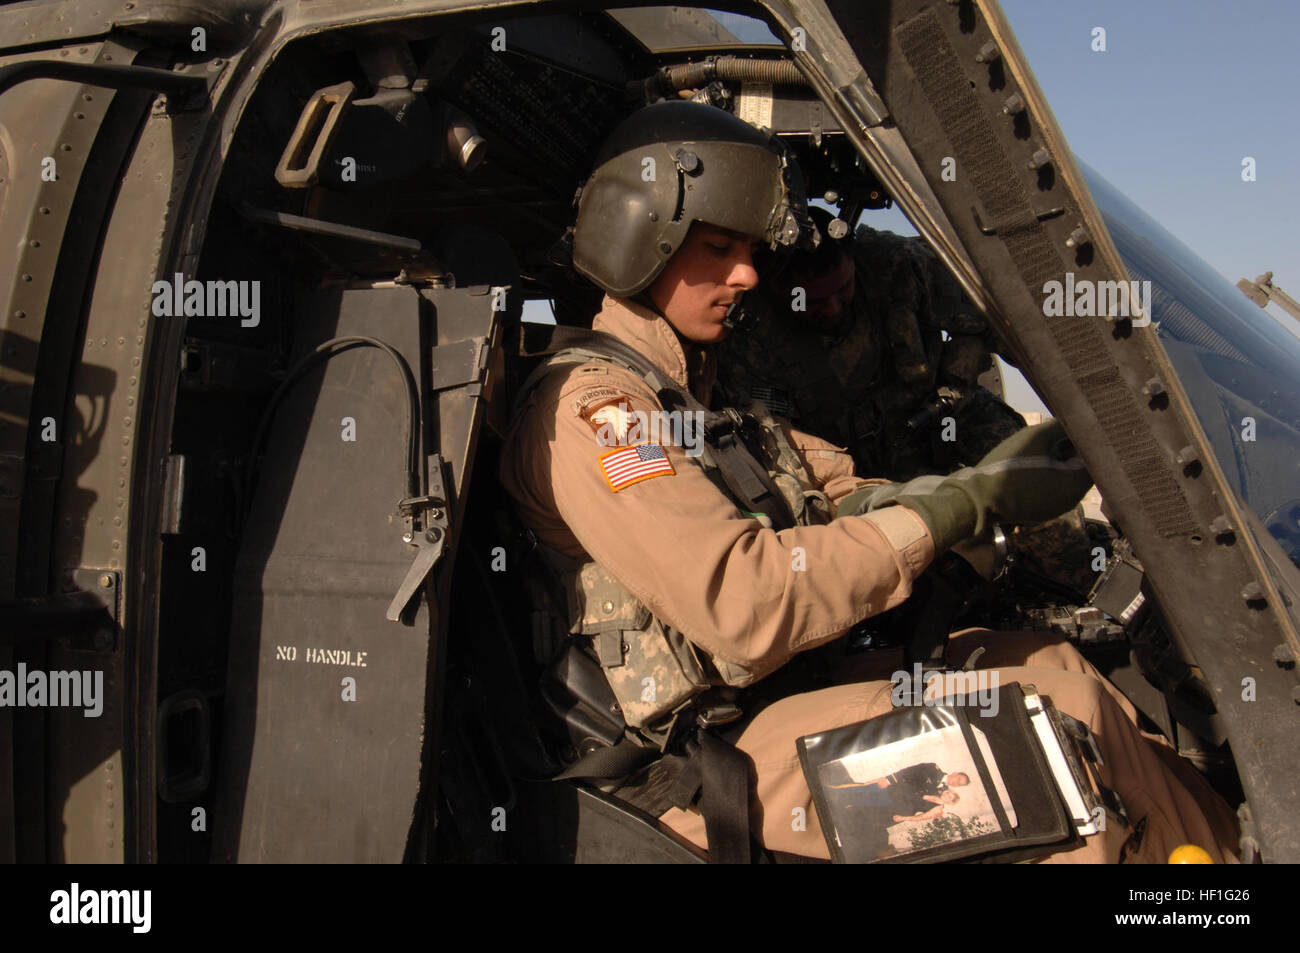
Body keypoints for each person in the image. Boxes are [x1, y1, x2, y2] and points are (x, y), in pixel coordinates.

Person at [500, 100, 1240, 863]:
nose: (749, 273)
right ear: (634, 243)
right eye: (719, 247)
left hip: (771, 699)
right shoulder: (599, 411)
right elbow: (741, 600)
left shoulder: (699, 402)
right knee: (1055, 729)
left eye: (750, 248)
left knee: (1050, 661)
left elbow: (839, 480)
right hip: (685, 766)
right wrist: (959, 507)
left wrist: (982, 483)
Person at [717, 206, 1026, 481]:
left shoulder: (897, 265)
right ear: (777, 288)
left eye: (844, 289)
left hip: (939, 421)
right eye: (815, 301)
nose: (835, 308)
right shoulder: (750, 329)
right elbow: (768, 438)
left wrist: (967, 352)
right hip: (840, 462)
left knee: (1028, 467)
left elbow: (999, 312)